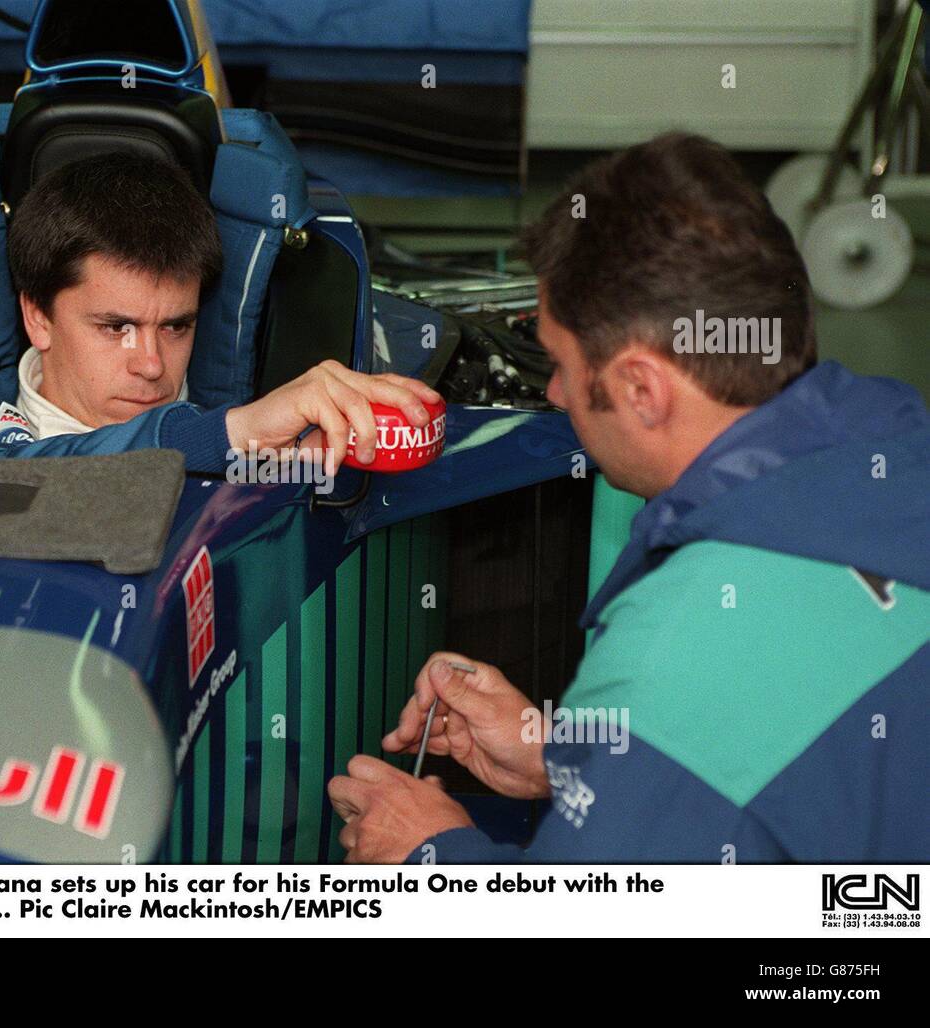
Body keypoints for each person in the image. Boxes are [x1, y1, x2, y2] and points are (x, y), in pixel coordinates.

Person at [328, 133, 930, 863]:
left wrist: (430, 853)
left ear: (642, 389)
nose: (552, 393)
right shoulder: (898, 458)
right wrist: (582, 763)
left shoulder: (676, 657)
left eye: (559, 363)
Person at [0, 151, 439, 475]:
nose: (150, 365)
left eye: (176, 326)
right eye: (115, 327)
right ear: (38, 318)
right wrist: (232, 434)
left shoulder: (271, 447)